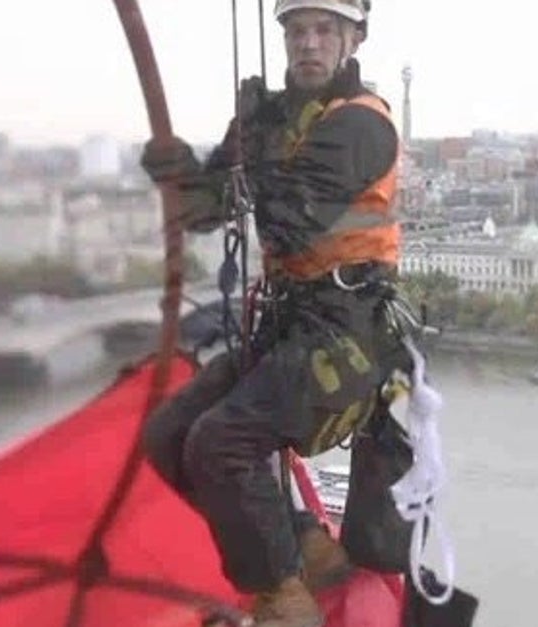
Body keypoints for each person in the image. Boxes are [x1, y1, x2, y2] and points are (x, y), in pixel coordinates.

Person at [138, 1, 404, 625]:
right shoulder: (268, 119)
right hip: (288, 326)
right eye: (297, 30)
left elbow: (291, 218)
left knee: (220, 442)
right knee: (168, 435)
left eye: (324, 30)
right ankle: (307, 548)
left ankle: (284, 600)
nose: (308, 43)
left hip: (347, 334)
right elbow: (208, 211)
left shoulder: (362, 124)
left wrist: (252, 142)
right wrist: (179, 174)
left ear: (354, 38)